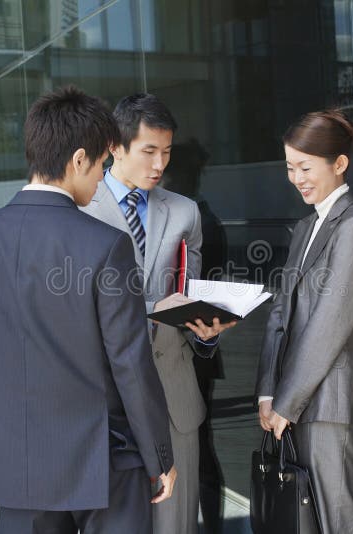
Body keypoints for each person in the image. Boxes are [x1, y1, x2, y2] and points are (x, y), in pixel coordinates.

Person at [0, 85, 176, 534]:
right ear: (79, 160)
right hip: (105, 459)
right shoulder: (107, 245)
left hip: (16, 463)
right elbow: (130, 363)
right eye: (103, 165)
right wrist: (160, 458)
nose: (101, 177)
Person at [80, 93, 236, 534]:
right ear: (115, 145)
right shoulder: (79, 207)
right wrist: (153, 309)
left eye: (166, 153)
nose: (159, 164)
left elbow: (188, 297)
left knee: (177, 526)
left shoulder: (185, 212)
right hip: (107, 399)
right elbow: (82, 304)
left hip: (174, 393)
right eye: (149, 151)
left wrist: (206, 331)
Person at [255, 109, 353, 534]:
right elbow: (281, 315)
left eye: (305, 167)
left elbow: (331, 324)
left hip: (330, 404)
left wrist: (286, 402)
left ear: (339, 164)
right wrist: (267, 393)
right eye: (290, 167)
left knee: (335, 519)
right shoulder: (308, 225)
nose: (296, 178)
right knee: (303, 519)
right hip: (295, 400)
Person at [161, 139, 227, 533]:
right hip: (193, 345)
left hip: (193, 348)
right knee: (201, 446)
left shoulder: (198, 221)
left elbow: (205, 290)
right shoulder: (204, 216)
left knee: (200, 448)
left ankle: (213, 525)